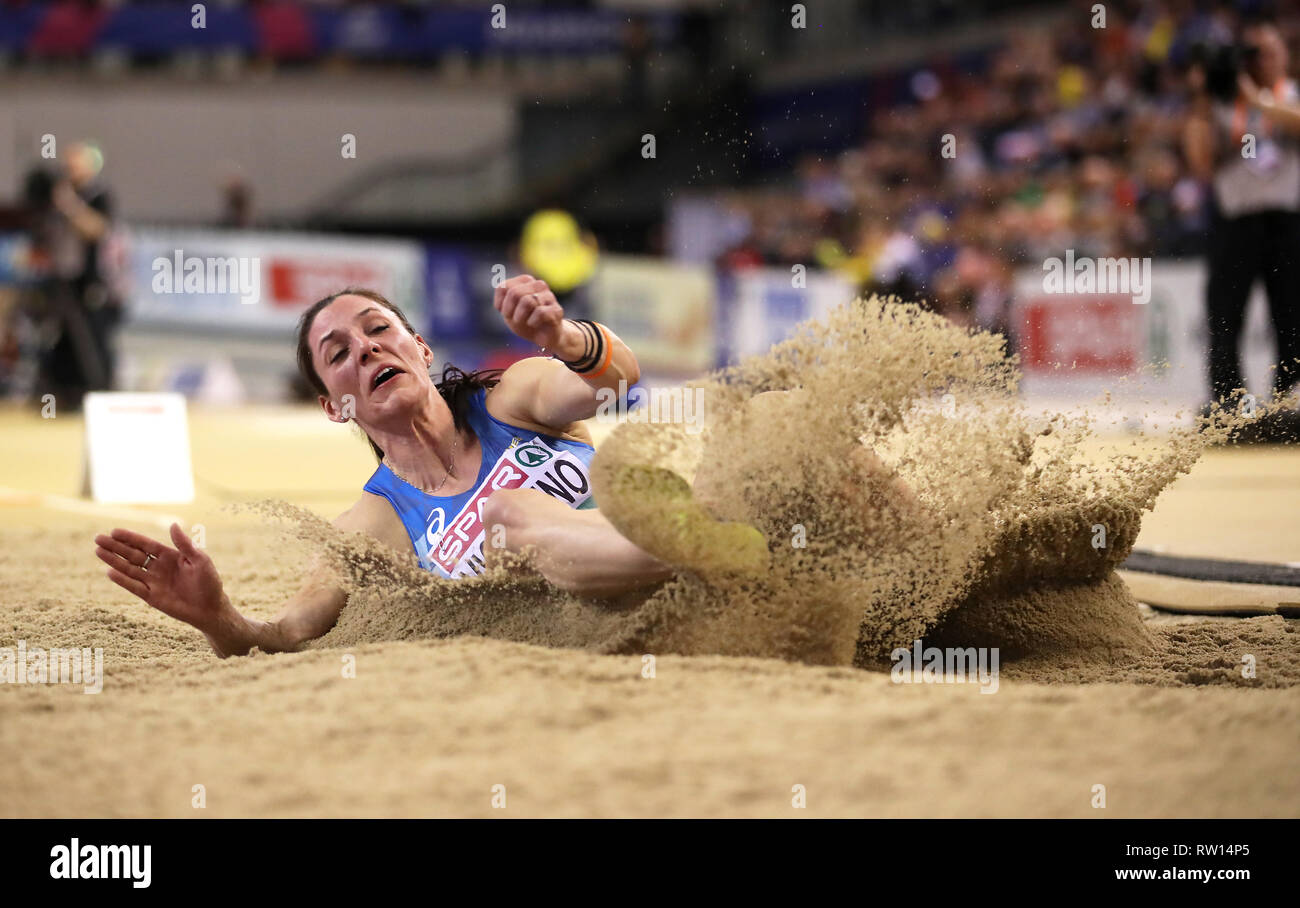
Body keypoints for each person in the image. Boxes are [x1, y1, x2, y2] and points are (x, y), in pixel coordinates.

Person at [93, 276, 684, 657]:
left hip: (659, 520)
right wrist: (217, 616)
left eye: (378, 330)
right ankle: (692, 548)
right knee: (505, 517)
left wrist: (563, 336)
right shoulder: (371, 529)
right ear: (332, 406)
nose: (367, 348)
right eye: (340, 353)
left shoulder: (512, 398)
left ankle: (703, 539)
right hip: (615, 616)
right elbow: (284, 635)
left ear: (421, 349)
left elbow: (615, 380)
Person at [1184, 22, 1300, 413]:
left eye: (1268, 52)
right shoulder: (1220, 105)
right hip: (1236, 222)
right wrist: (1204, 98)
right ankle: (1229, 403)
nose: (1260, 61)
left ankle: (1289, 398)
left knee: (1292, 312)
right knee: (1225, 313)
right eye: (1251, 54)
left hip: (1287, 220)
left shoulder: (1291, 95)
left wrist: (1259, 103)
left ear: (1284, 55)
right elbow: (1200, 164)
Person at [34, 141, 123, 409]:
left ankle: (99, 395)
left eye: (75, 162)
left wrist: (71, 207)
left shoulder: (98, 195)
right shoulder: (59, 194)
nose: (68, 167)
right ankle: (63, 394)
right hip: (61, 277)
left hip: (91, 280)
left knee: (91, 339)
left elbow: (98, 230)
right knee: (59, 339)